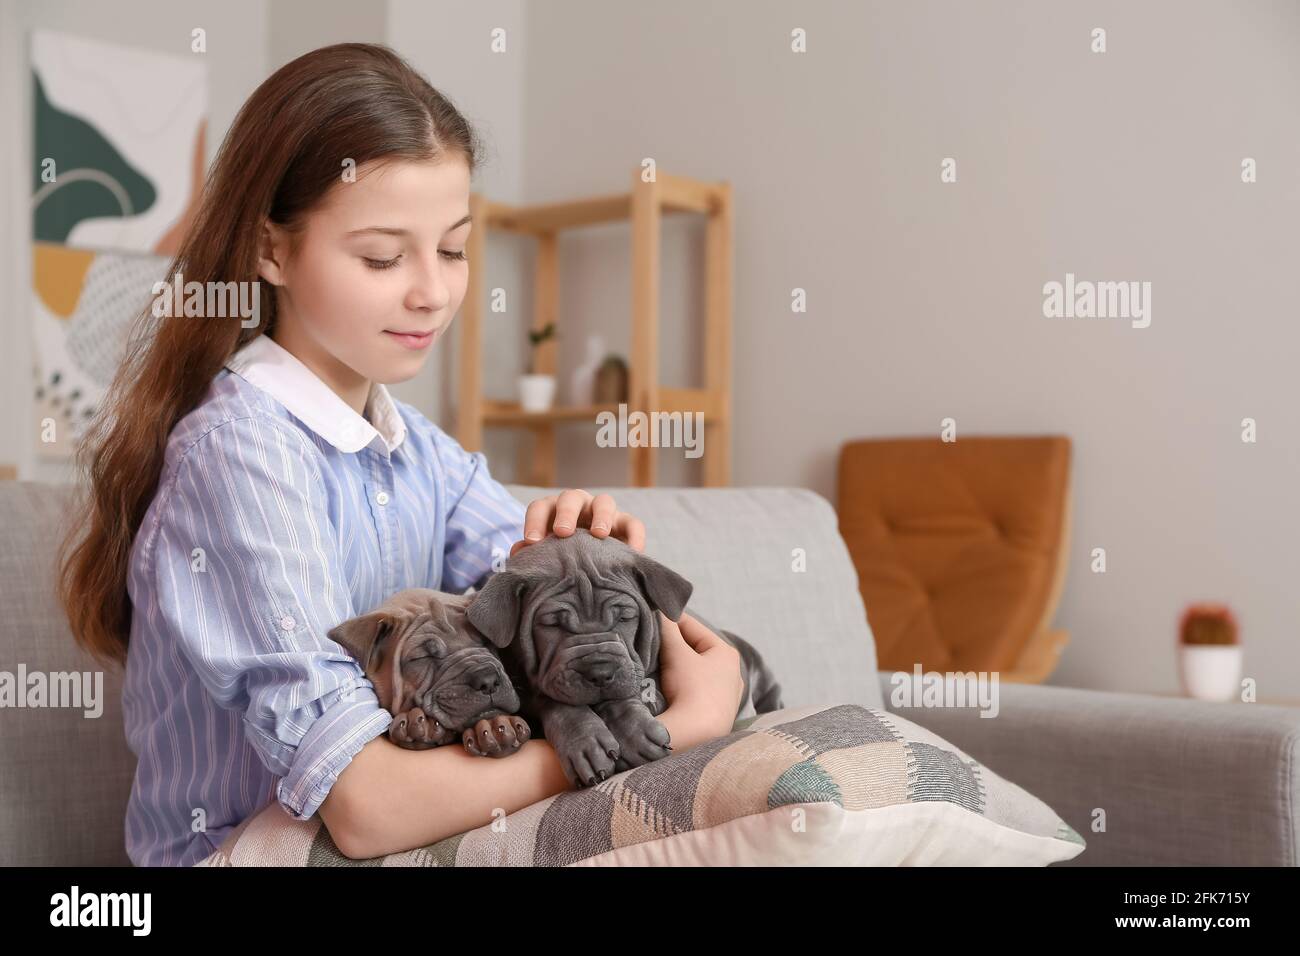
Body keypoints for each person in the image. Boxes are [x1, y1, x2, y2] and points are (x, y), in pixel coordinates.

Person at [56, 42, 744, 866]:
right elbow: (367, 812)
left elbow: (661, 645)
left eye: (453, 250)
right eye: (383, 257)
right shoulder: (237, 461)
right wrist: (682, 726)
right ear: (270, 251)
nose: (432, 291)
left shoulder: (423, 456)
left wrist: (588, 564)